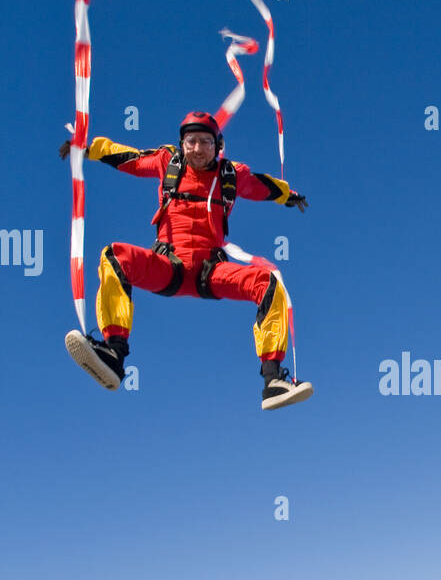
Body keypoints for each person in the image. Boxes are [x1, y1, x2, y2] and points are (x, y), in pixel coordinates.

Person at [61, 112, 313, 410]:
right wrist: (87, 147)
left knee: (268, 282)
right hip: (170, 267)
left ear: (218, 145)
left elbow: (262, 185)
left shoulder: (231, 175)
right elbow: (128, 157)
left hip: (211, 272)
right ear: (182, 144)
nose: (197, 149)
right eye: (191, 141)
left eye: (205, 142)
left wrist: (288, 195)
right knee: (114, 256)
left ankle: (273, 381)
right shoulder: (167, 161)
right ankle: (114, 354)